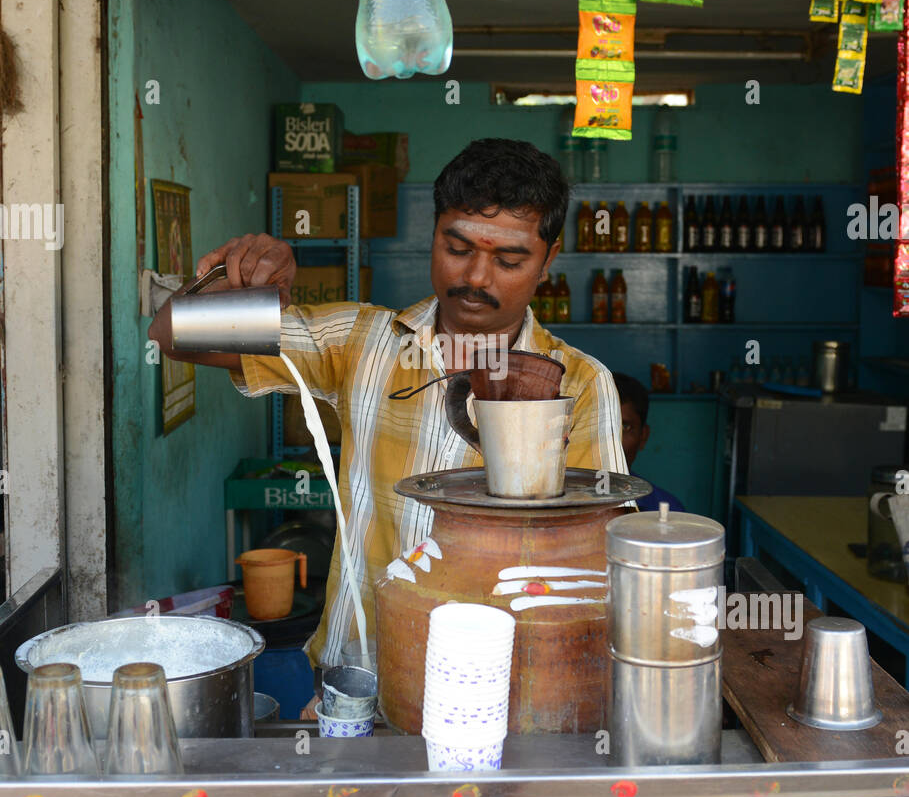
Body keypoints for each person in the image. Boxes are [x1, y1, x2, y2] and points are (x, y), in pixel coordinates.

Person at [149, 138, 627, 712]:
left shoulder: (580, 383)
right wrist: (241, 284)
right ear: (433, 236)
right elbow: (172, 334)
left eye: (509, 260)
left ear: (548, 261)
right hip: (359, 681)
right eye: (457, 247)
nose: (476, 277)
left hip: (508, 694)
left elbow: (595, 559)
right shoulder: (359, 343)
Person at [613, 372, 685, 513]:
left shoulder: (667, 513)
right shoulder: (561, 506)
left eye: (625, 427)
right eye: (599, 426)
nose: (612, 440)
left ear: (643, 436)